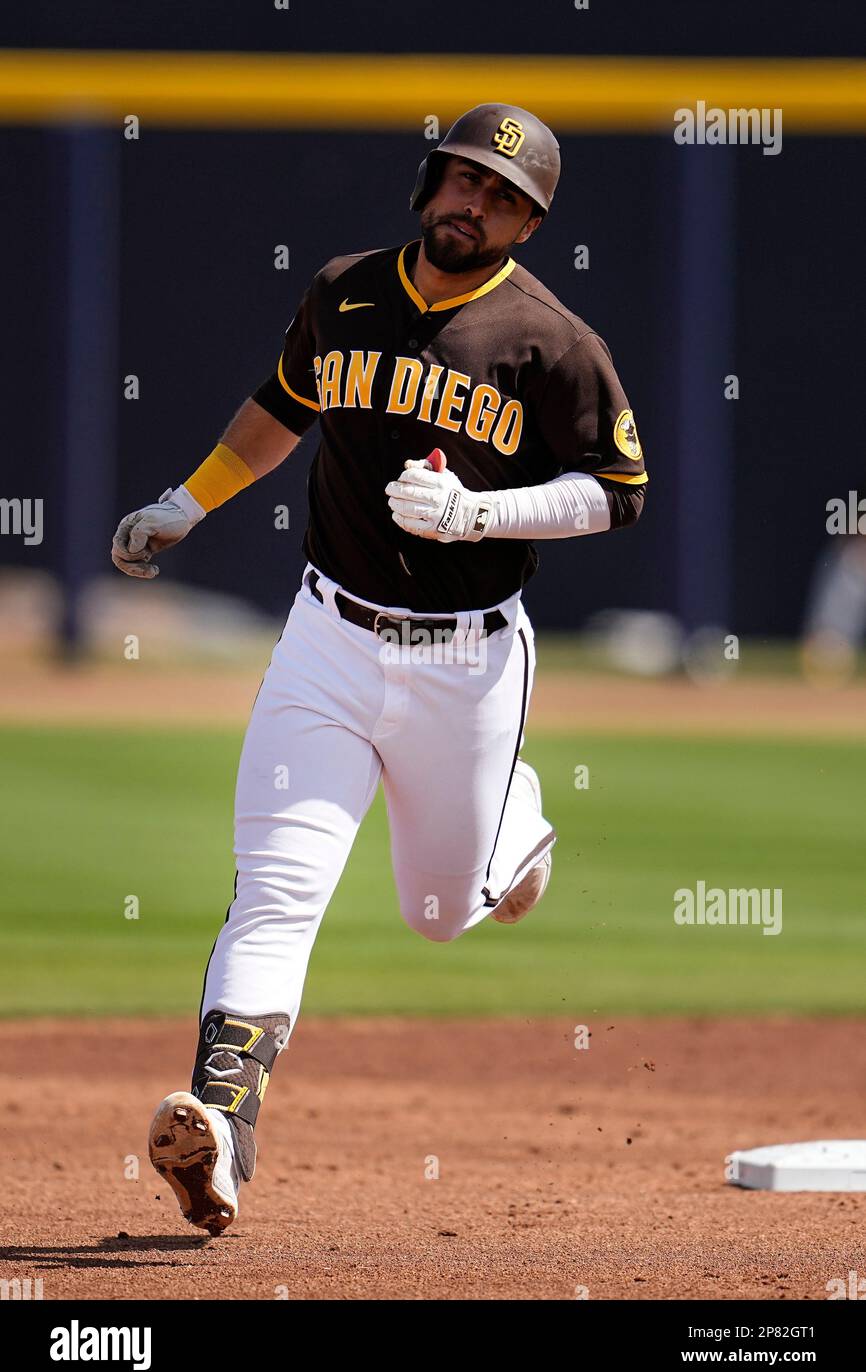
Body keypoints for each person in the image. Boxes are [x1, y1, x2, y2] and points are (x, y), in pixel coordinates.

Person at [111, 103, 648, 1234]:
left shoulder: (552, 343)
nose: (475, 205)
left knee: (441, 914)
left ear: (531, 224)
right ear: (429, 180)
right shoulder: (342, 287)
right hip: (326, 640)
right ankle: (220, 1129)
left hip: (467, 662)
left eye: (504, 197)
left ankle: (513, 811)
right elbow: (280, 406)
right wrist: (183, 502)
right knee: (277, 886)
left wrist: (478, 512)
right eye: (463, 180)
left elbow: (616, 493)